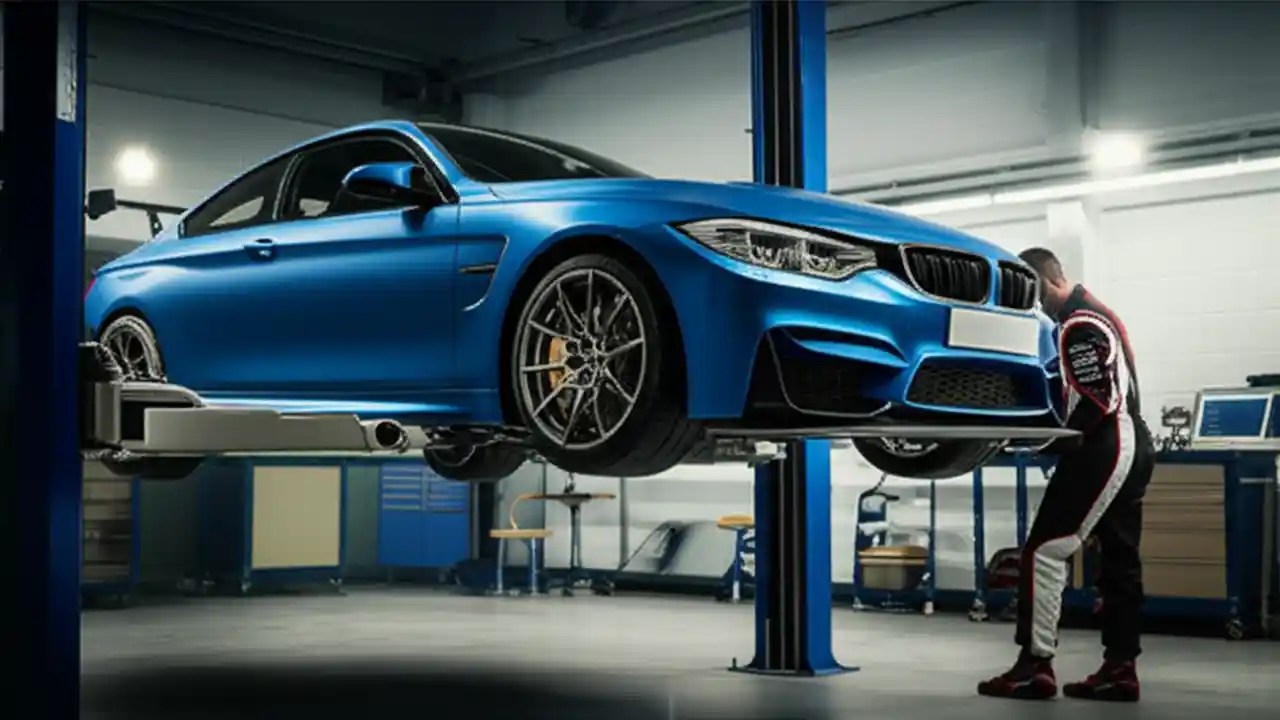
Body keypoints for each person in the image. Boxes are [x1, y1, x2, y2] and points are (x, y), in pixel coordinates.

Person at [977, 247, 1154, 702]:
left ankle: (1033, 667)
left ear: (1044, 283)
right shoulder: (1096, 313)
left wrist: (1042, 440)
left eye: (1033, 296)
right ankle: (1120, 668)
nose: (1035, 308)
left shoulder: (1078, 323)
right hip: (1127, 439)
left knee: (1045, 550)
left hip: (1105, 443)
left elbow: (1096, 402)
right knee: (1119, 559)